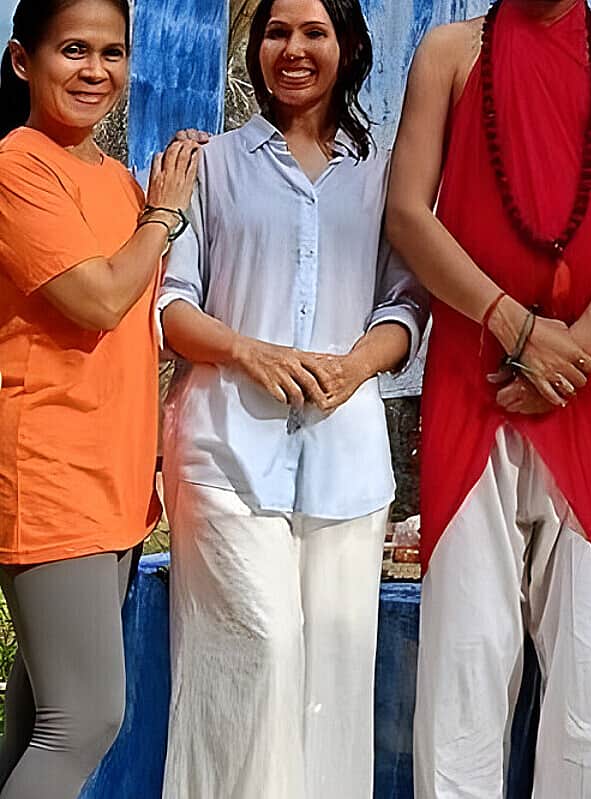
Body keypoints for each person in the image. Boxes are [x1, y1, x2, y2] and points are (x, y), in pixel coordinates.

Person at [386, 0, 591, 794]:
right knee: (464, 651)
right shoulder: (447, 53)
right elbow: (409, 210)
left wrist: (571, 351)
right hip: (475, 372)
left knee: (587, 657)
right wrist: (515, 327)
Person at [156, 0, 428, 795]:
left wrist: (354, 367)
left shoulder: (384, 175)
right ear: (255, 46)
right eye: (277, 31)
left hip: (346, 464)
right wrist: (248, 349)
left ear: (348, 46)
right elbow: (172, 306)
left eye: (315, 32)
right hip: (225, 453)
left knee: (333, 687)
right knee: (255, 656)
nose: (295, 49)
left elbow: (407, 304)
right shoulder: (211, 164)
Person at [0, 0, 200, 796]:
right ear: (24, 61)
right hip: (52, 473)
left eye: (112, 53)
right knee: (84, 720)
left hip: (114, 482)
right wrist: (164, 212)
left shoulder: (112, 177)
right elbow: (98, 300)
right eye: (74, 50)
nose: (95, 71)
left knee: (40, 716)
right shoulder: (18, 165)